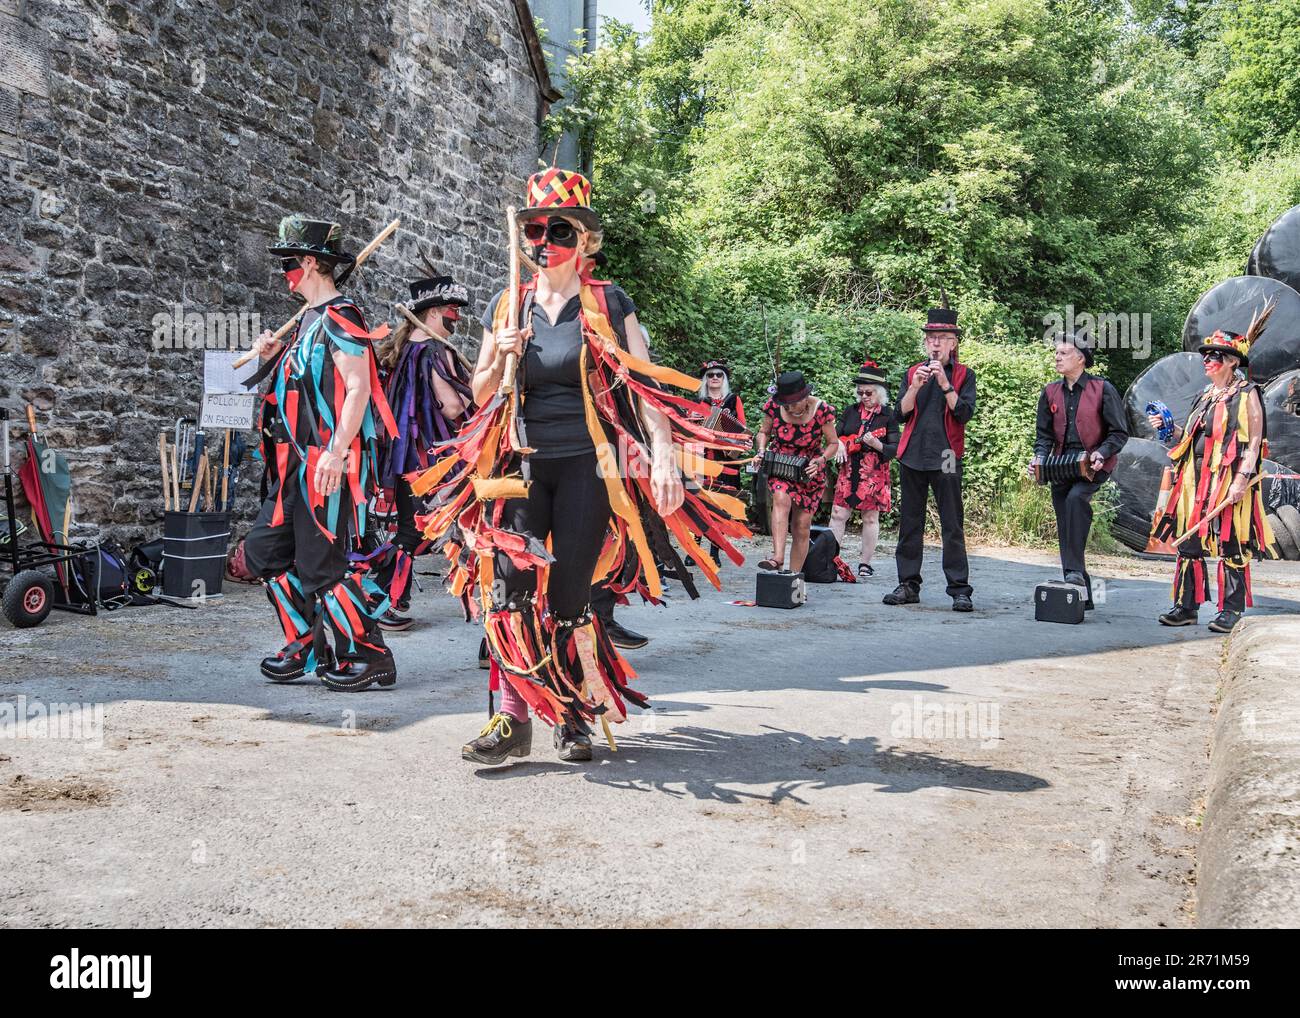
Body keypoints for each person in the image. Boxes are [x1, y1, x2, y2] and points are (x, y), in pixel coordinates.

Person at [413, 168, 748, 765]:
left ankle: (573, 717)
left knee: (571, 595)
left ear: (584, 239)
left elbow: (644, 385)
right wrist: (503, 354)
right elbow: (481, 386)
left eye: (559, 230)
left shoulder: (608, 304)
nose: (545, 241)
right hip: (519, 465)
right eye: (536, 229)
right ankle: (512, 720)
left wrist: (666, 453)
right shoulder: (507, 302)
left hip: (588, 469)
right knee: (511, 590)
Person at [243, 215, 399, 691]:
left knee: (321, 567)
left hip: (323, 465)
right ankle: (307, 644)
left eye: (289, 262)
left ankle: (369, 652)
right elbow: (301, 387)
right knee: (262, 552)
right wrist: (273, 356)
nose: (284, 272)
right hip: (293, 465)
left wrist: (335, 452)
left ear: (310, 263)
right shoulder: (308, 321)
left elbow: (357, 389)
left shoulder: (341, 316)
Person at [1150, 305, 1277, 632]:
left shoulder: (1248, 395)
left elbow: (1255, 443)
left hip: (1229, 480)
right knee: (1188, 542)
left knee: (1233, 541)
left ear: (1232, 362)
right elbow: (1190, 437)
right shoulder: (1205, 395)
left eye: (1215, 356)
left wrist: (1240, 481)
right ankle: (1186, 607)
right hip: (1194, 480)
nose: (1207, 361)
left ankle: (1230, 610)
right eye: (1206, 356)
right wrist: (1168, 429)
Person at [372, 267, 475, 630]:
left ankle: (382, 597)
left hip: (403, 459)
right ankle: (382, 599)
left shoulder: (400, 350)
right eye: (452, 309)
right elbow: (451, 407)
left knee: (410, 527)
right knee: (426, 530)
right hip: (430, 460)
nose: (457, 317)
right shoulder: (435, 350)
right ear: (432, 311)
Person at [884, 302, 977, 611]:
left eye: (942, 337)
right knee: (910, 522)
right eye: (930, 338)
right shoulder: (913, 371)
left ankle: (959, 589)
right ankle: (908, 584)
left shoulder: (964, 375)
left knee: (952, 522)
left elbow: (963, 414)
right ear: (925, 342)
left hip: (948, 455)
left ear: (954, 342)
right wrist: (914, 387)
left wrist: (945, 384)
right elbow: (899, 413)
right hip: (912, 453)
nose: (935, 343)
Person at [1030, 332, 1128, 609]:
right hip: (1061, 466)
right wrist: (1039, 459)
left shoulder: (1103, 389)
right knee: (1065, 522)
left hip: (1094, 465)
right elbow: (1043, 435)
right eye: (1056, 353)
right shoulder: (1050, 392)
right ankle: (1082, 593)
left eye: (1063, 353)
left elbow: (1119, 433)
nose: (1057, 357)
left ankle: (1073, 574)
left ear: (1081, 358)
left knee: (1075, 501)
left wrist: (1101, 453)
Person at [755, 370, 838, 574]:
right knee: (781, 498)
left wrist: (821, 460)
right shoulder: (774, 407)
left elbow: (833, 443)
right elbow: (763, 432)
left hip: (809, 470)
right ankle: (777, 557)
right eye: (786, 404)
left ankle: (793, 577)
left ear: (804, 397)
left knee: (801, 525)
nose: (790, 408)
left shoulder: (822, 410)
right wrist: (761, 451)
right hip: (780, 463)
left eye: (794, 403)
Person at [830, 359, 897, 577]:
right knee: (838, 514)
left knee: (870, 517)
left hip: (874, 472)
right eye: (860, 393)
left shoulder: (888, 415)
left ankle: (865, 563)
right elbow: (835, 434)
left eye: (868, 393)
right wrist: (839, 444)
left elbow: (895, 448)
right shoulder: (850, 411)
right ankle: (831, 559)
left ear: (879, 392)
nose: (864, 398)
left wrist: (876, 444)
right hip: (849, 468)